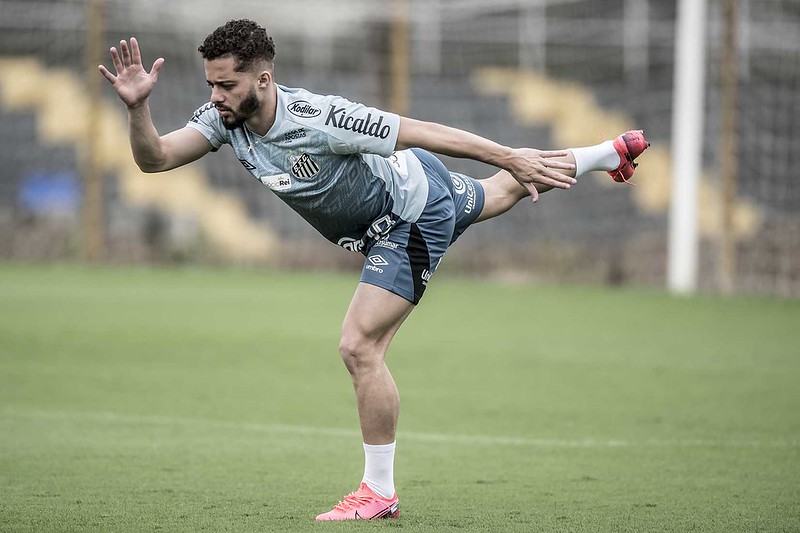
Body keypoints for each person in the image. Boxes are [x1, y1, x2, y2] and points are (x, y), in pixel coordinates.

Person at [99, 19, 648, 521]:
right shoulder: (224, 122)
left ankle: (378, 492)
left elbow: (424, 130)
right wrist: (136, 108)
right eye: (211, 86)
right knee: (495, 194)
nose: (216, 97)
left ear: (263, 81)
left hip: (407, 216)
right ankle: (609, 153)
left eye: (227, 86)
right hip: (414, 191)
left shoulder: (322, 117)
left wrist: (509, 153)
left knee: (359, 345)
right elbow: (155, 159)